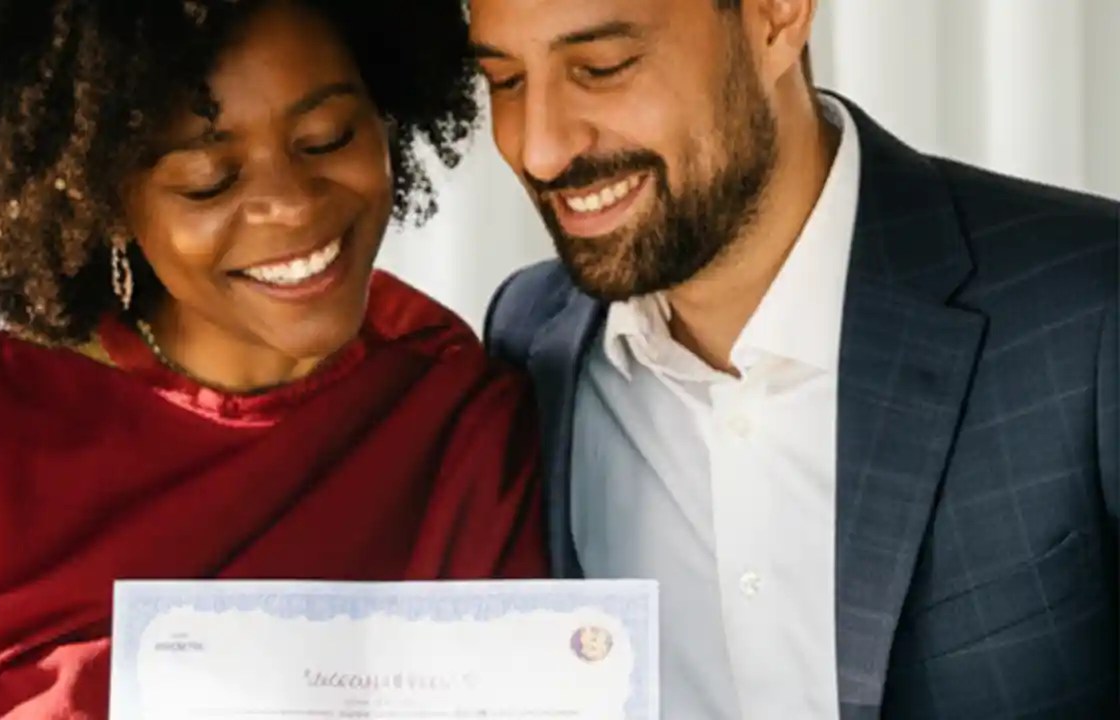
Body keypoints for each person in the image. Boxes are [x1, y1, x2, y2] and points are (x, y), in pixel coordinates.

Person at [0, 0, 545, 716]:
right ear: (104, 198)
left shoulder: (460, 410)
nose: (293, 207)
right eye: (210, 179)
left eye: (328, 137)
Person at [471, 0, 1119, 717]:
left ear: (776, 18)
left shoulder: (1089, 308)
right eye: (504, 81)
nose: (541, 149)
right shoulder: (527, 339)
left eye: (602, 68)